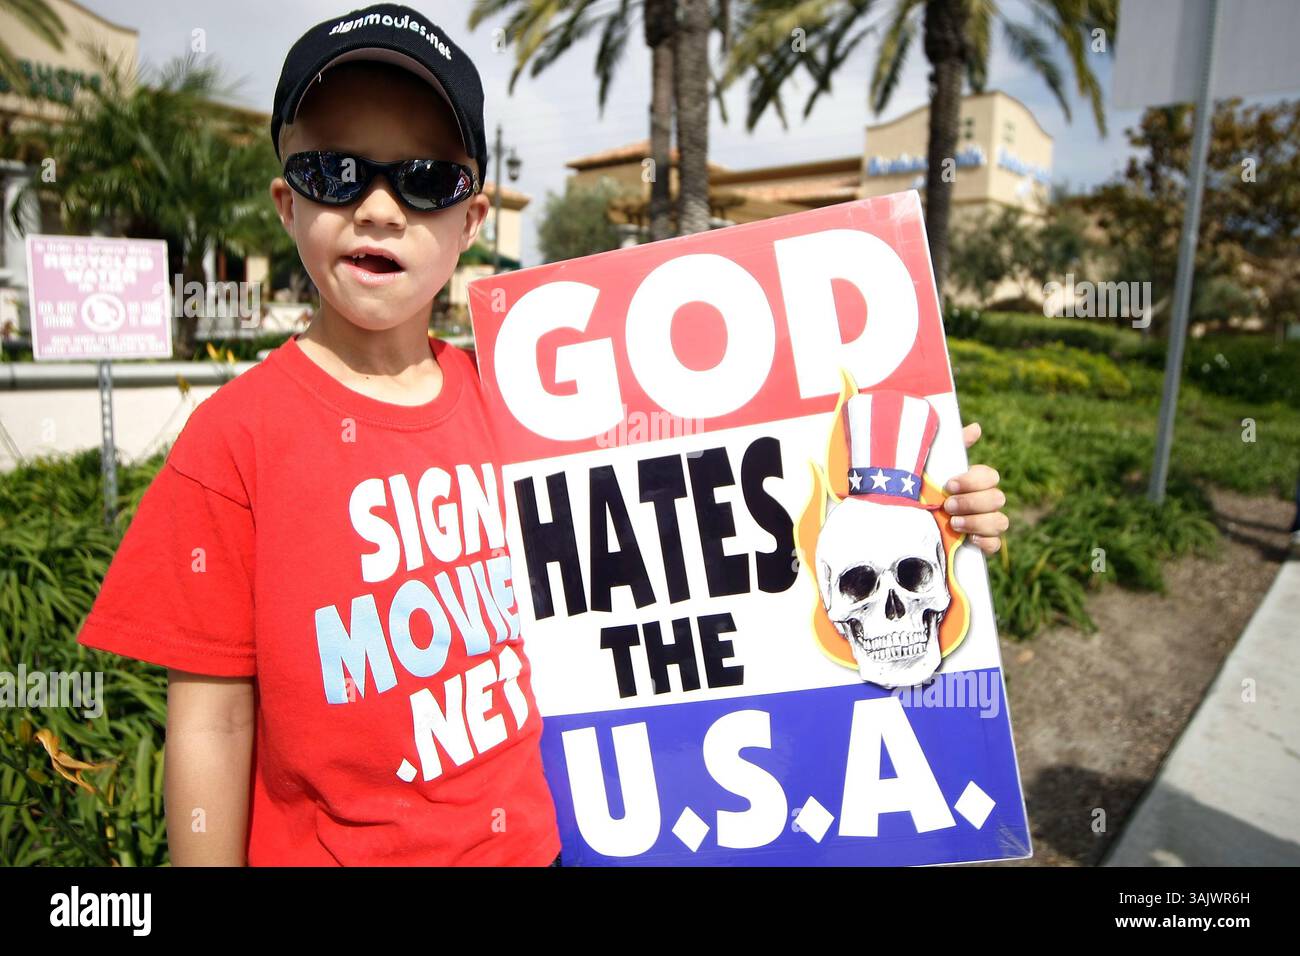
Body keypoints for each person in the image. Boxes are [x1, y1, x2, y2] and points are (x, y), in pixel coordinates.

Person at [76, 3, 1011, 866]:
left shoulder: (522, 401)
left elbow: (717, 522)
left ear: (471, 221)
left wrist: (934, 508)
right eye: (335, 171)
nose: (378, 205)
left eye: (427, 178)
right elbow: (212, 723)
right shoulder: (231, 439)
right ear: (288, 203)